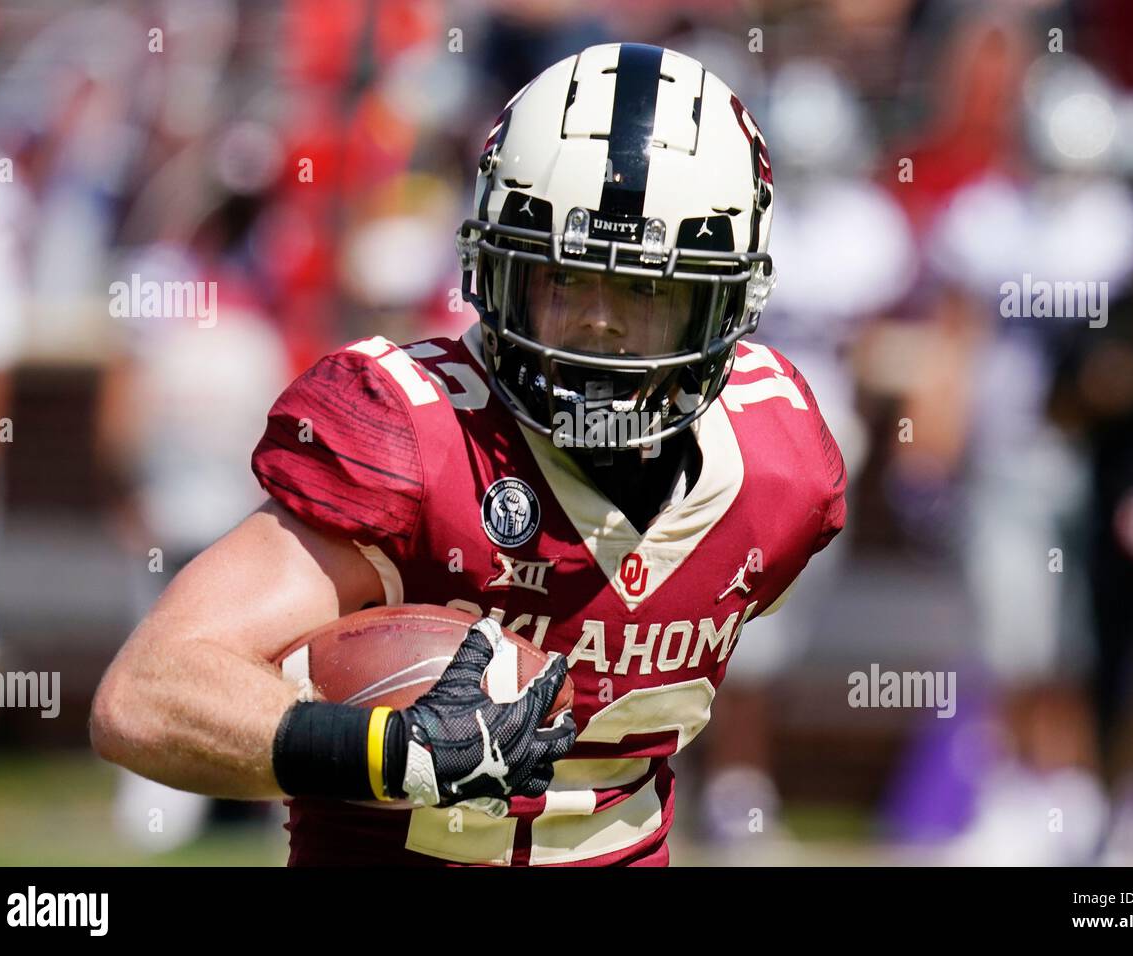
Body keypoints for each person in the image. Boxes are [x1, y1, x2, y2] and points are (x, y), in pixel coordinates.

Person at [90, 42, 847, 866]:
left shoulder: (779, 471)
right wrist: (392, 753)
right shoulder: (417, 439)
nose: (600, 327)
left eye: (647, 293)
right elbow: (148, 696)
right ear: (493, 269)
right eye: (563, 282)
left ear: (729, 302)